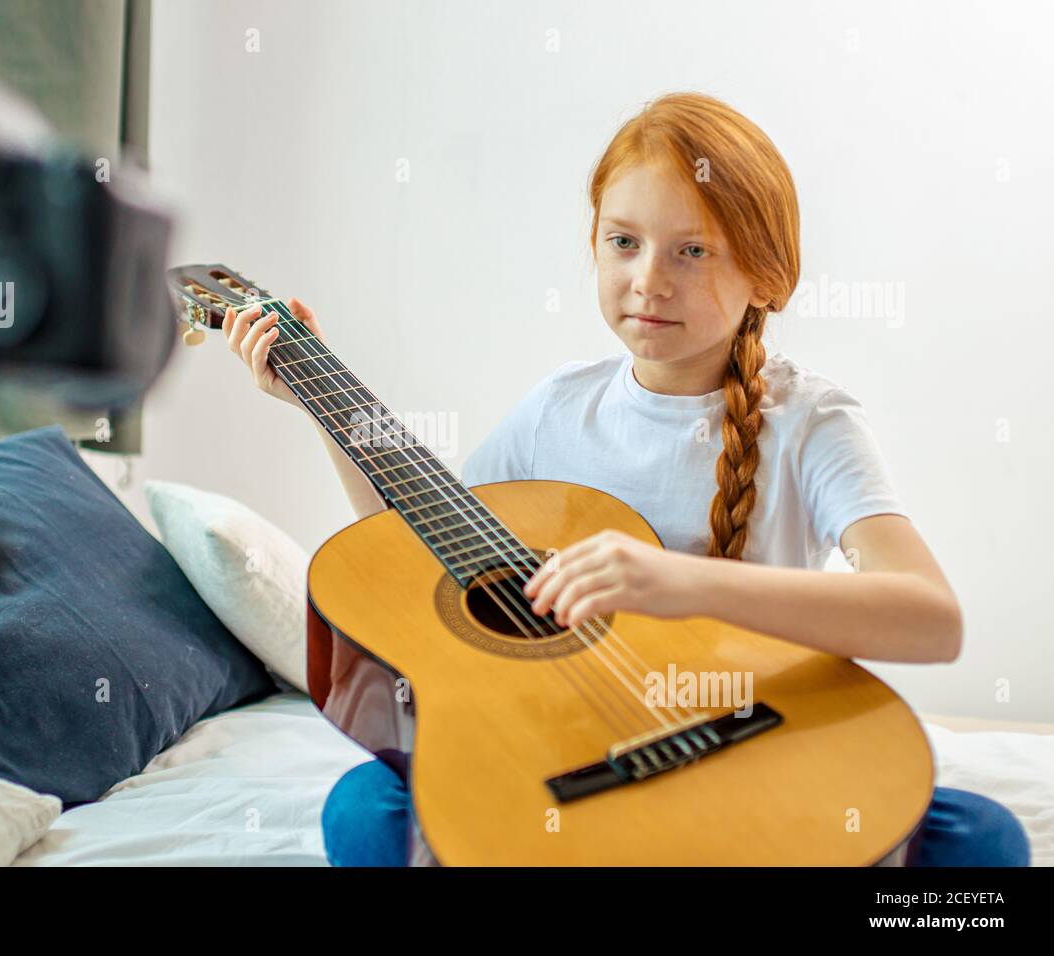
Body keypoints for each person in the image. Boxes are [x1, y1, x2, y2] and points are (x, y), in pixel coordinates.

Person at [220, 91, 1030, 868]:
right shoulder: (558, 410)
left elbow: (931, 620)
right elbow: (424, 547)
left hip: (748, 739)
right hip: (565, 752)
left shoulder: (809, 423)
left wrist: (675, 582)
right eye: (623, 242)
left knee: (981, 843)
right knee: (367, 810)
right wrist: (325, 406)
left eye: (693, 250)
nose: (649, 278)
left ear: (767, 276)